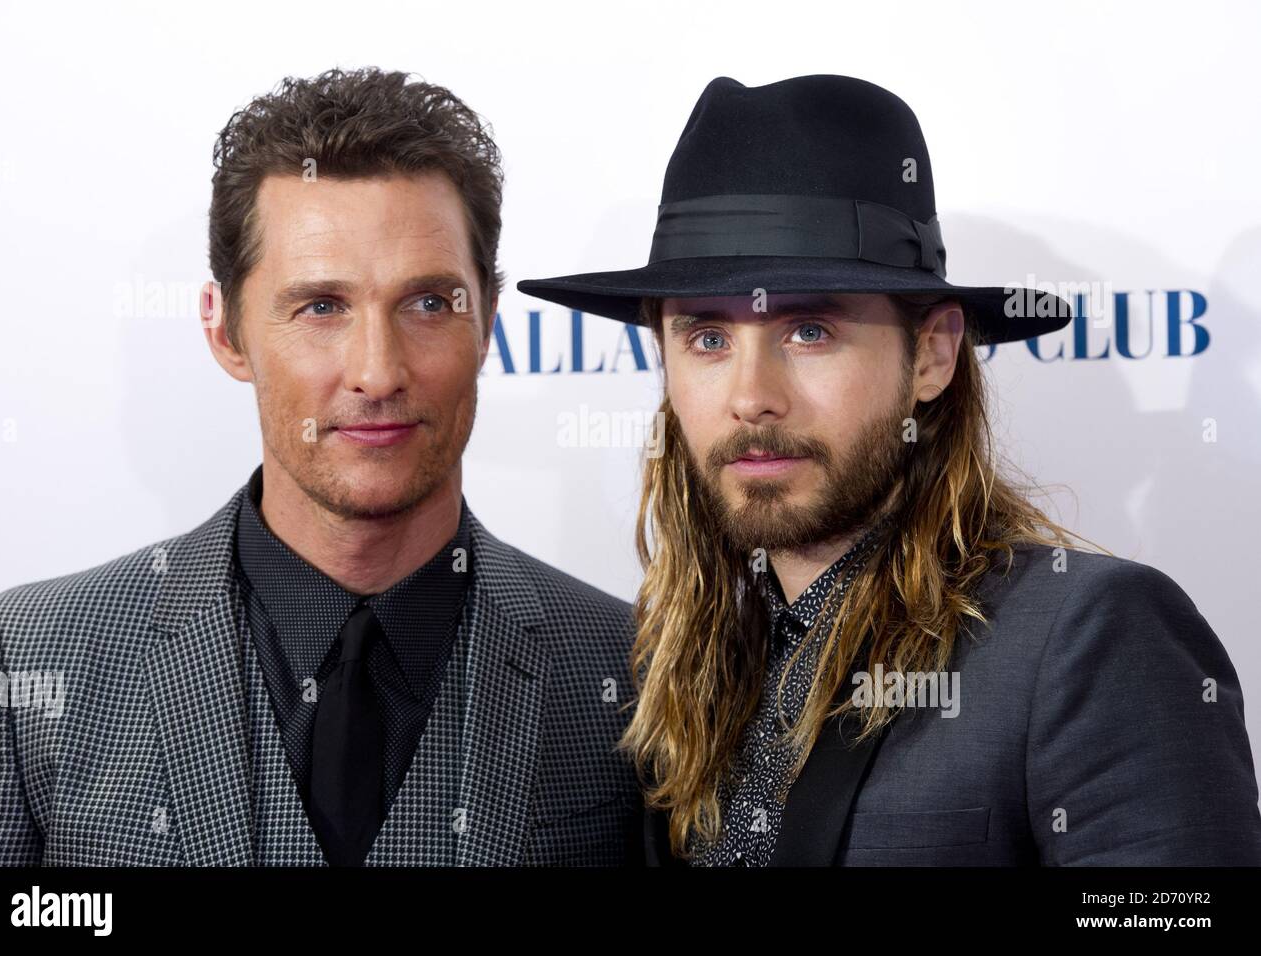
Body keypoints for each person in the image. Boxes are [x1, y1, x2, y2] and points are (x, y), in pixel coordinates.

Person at [517, 74, 1261, 865]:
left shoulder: (1091, 635)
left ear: (933, 355)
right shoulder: (671, 670)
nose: (751, 398)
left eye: (808, 331)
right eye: (706, 339)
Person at [0, 68, 638, 866]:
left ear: (487, 322)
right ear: (226, 332)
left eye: (428, 304)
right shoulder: (30, 662)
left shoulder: (629, 668)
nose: (378, 372)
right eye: (321, 306)